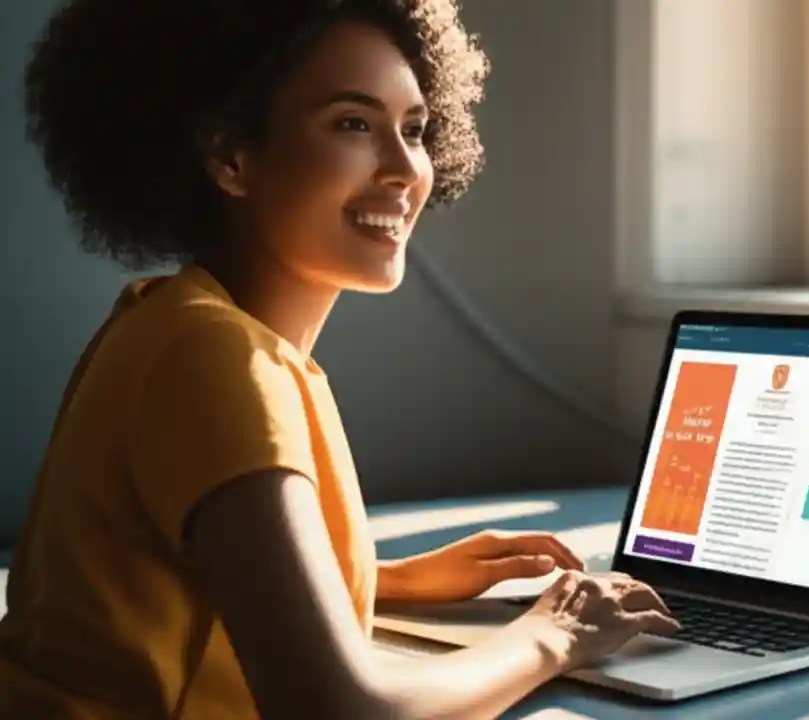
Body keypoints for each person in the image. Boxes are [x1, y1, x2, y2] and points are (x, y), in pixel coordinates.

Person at [0, 1, 678, 717]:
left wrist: (389, 578)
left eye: (414, 130)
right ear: (231, 157)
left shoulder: (176, 321)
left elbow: (187, 572)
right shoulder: (216, 358)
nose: (404, 169)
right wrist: (554, 635)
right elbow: (341, 710)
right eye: (354, 124)